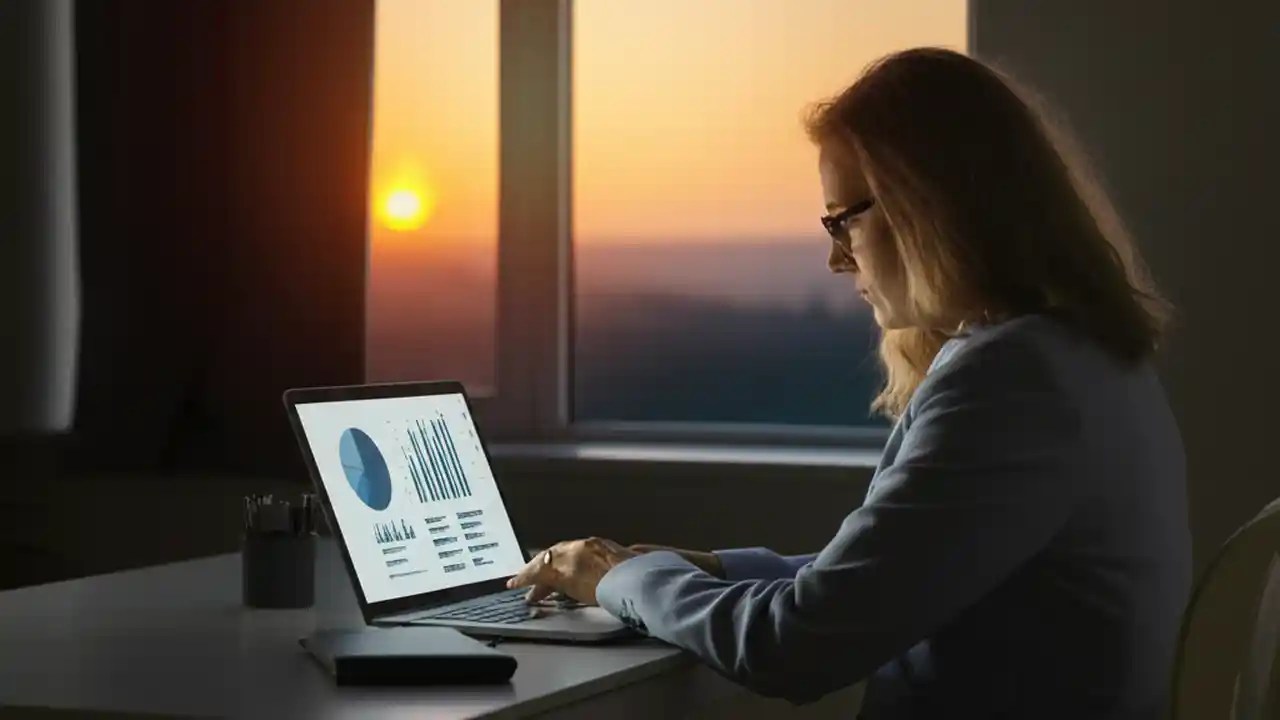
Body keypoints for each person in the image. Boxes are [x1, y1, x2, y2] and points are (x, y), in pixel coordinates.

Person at [507, 47, 1190, 719]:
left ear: (927, 205)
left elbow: (796, 646)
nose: (836, 259)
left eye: (842, 221)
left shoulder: (1012, 381)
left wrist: (617, 579)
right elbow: (902, 579)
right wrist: (708, 569)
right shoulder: (1085, 355)